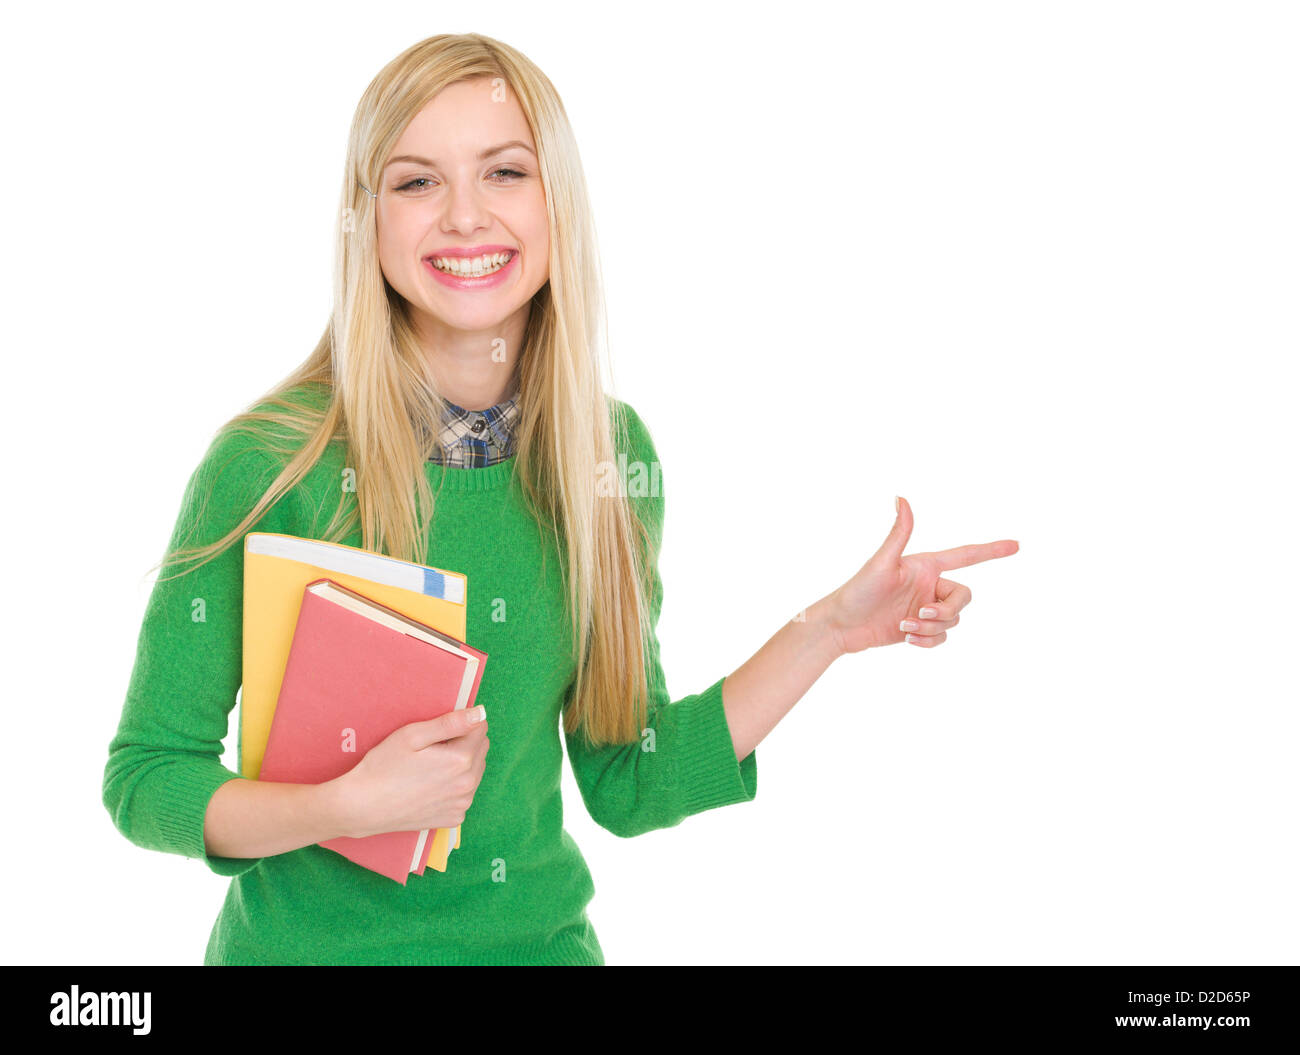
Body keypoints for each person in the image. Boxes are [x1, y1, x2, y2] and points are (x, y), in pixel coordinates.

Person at [102, 32, 1019, 966]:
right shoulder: (271, 466)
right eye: (417, 182)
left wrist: (825, 630)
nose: (464, 216)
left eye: (504, 172)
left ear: (558, 206)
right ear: (366, 219)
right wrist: (343, 808)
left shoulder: (609, 458)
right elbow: (146, 777)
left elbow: (632, 776)